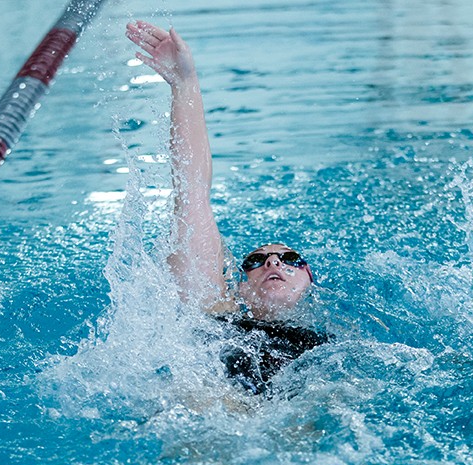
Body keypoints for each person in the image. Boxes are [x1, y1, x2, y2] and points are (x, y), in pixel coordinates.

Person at [126, 21, 328, 394]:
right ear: (239, 288)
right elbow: (192, 192)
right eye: (255, 261)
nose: (272, 263)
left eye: (289, 258)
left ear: (310, 277)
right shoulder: (216, 316)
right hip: (217, 407)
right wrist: (183, 84)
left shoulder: (334, 349)